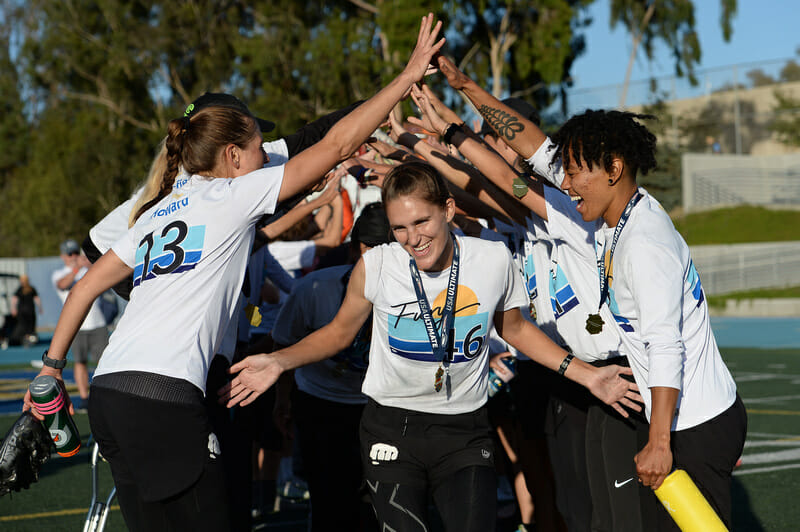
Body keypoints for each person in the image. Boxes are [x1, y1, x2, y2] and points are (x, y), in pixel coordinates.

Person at [23, 14, 448, 531]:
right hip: (167, 395)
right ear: (231, 155)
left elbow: (87, 286)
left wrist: (49, 369)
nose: (263, 155)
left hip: (111, 394)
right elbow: (334, 144)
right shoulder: (233, 194)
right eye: (255, 145)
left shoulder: (157, 207)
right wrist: (404, 79)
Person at [221, 160, 642, 531]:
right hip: (392, 429)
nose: (412, 238)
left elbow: (515, 329)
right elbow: (338, 333)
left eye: (422, 222)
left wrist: (589, 376)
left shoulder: (492, 259)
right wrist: (278, 361)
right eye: (400, 228)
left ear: (448, 210)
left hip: (465, 431)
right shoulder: (378, 264)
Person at [271, 202, 392, 531]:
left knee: (374, 506)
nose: (379, 259)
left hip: (376, 407)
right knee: (327, 500)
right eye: (371, 248)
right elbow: (284, 342)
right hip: (319, 402)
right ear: (354, 249)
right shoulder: (314, 289)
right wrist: (283, 403)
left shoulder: (407, 293)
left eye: (388, 249)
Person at [51, 239, 109, 411]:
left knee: (104, 362)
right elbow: (62, 285)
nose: (73, 257)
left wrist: (88, 263)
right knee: (80, 362)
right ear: (63, 257)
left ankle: (104, 395)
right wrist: (76, 268)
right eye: (70, 254)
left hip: (98, 324)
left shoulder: (88, 269)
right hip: (76, 326)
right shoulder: (59, 273)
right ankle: (84, 397)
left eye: (76, 253)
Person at [10, 274, 43, 347]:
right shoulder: (27, 289)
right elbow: (37, 299)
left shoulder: (24, 289)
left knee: (25, 326)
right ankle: (27, 339)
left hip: (24, 311)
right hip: (28, 311)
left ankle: (26, 339)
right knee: (28, 327)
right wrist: (40, 308)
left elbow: (14, 299)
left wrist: (13, 309)